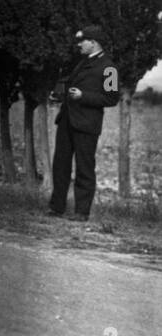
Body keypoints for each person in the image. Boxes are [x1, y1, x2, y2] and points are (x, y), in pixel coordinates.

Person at [48, 25, 119, 221]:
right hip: (67, 121)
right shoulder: (81, 63)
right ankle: (56, 208)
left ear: (94, 42)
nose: (79, 45)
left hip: (87, 124)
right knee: (60, 166)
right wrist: (59, 96)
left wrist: (83, 96)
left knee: (84, 168)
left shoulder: (109, 68)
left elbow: (111, 98)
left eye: (83, 41)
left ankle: (81, 212)